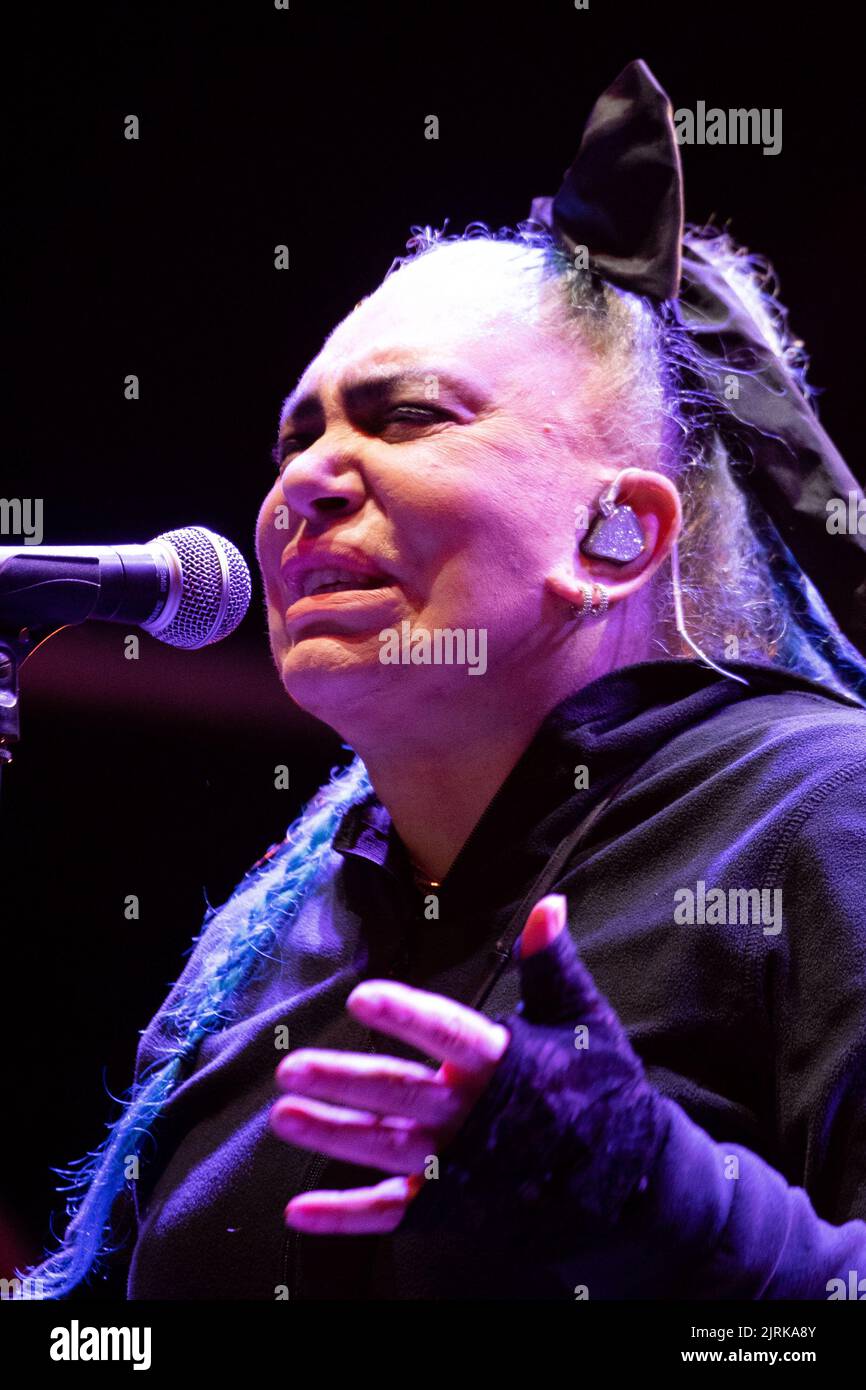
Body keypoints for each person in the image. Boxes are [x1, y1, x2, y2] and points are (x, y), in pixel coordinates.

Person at [17, 60, 866, 1301]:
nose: (304, 478)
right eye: (296, 435)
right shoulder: (277, 939)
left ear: (615, 532)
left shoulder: (819, 810)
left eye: (405, 416)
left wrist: (663, 1201)